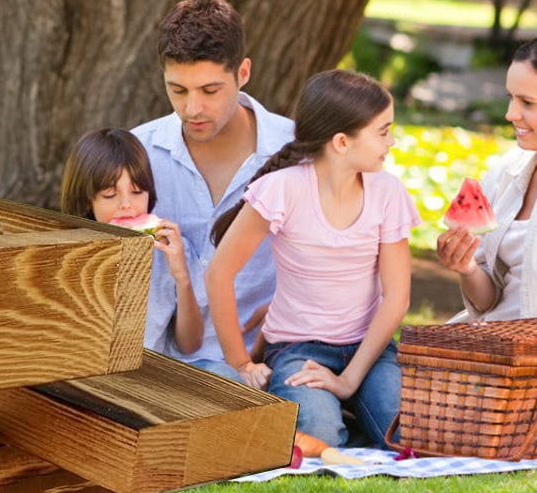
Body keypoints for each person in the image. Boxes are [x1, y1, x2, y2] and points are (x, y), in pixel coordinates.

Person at [206, 69, 418, 448]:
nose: (393, 141)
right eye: (383, 132)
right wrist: (241, 363)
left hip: (369, 347)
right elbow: (219, 273)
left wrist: (349, 379)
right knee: (321, 439)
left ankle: (347, 402)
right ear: (341, 142)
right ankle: (324, 411)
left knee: (407, 436)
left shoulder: (388, 192)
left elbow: (396, 297)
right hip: (298, 349)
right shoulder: (282, 189)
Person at [132, 0, 295, 376]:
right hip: (157, 360)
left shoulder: (296, 151)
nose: (192, 109)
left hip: (269, 358)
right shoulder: (137, 153)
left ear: (243, 73)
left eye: (210, 91)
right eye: (178, 90)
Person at [60, 128, 203, 356]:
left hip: (148, 374)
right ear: (86, 200)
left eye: (137, 192)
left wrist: (181, 277)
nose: (126, 204)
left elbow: (190, 345)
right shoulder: (63, 254)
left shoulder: (170, 250)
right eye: (110, 194)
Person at [437, 40, 537, 320]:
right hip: (490, 340)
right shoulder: (506, 170)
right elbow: (488, 301)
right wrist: (466, 266)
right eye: (511, 98)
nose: (510, 114)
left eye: (527, 103)